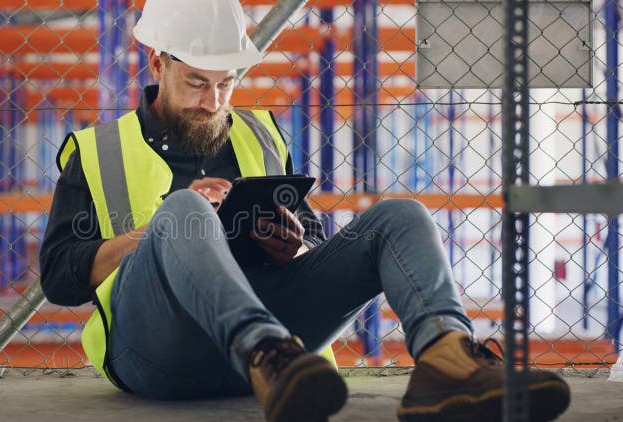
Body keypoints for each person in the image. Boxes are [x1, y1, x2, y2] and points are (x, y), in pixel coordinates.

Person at [39, 0, 571, 421]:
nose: (213, 102)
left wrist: (297, 244)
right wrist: (153, 233)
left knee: (401, 215)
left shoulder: (261, 134)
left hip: (284, 356)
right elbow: (59, 278)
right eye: (197, 83)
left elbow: (313, 239)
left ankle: (447, 361)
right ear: (158, 61)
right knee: (184, 209)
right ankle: (261, 348)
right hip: (158, 350)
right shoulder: (99, 152)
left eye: (227, 84)